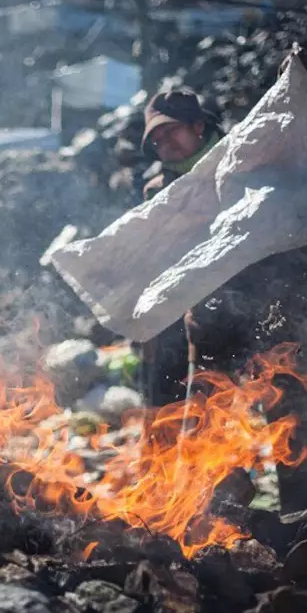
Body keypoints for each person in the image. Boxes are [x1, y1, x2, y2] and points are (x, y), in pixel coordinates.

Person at [138, 89, 224, 407]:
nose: (166, 144)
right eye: (157, 140)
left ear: (198, 126)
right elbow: (157, 261)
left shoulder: (244, 160)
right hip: (204, 317)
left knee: (288, 413)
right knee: (207, 421)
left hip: (269, 305)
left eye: (171, 130)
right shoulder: (157, 193)